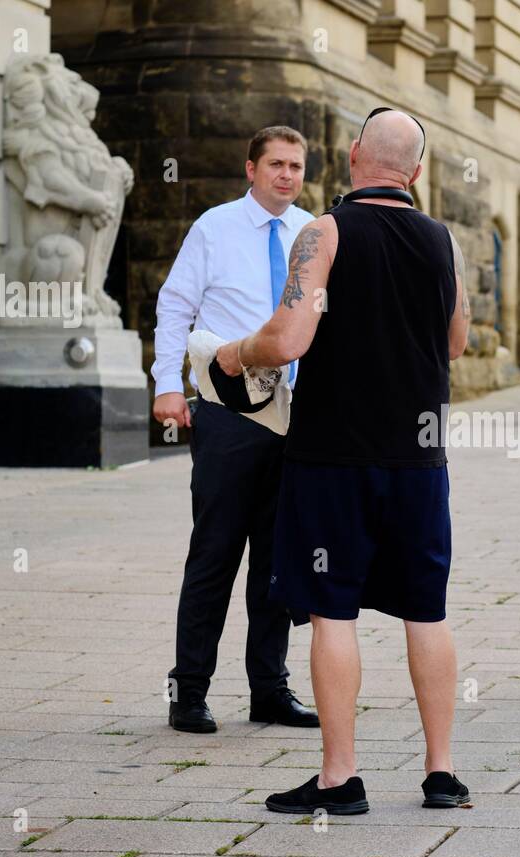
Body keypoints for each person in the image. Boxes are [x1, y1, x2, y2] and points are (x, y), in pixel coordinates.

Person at [215, 108, 472, 814]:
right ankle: (441, 773)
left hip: (334, 456)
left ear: (352, 155)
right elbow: (455, 343)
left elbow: (290, 339)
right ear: (416, 172)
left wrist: (235, 354)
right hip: (421, 460)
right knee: (427, 611)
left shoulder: (323, 231)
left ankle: (340, 778)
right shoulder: (441, 241)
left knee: (333, 612)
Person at [152, 126, 320, 734]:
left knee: (278, 562)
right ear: (250, 168)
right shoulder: (214, 228)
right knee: (215, 554)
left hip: (295, 418)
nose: (286, 175)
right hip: (228, 416)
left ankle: (269, 690)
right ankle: (189, 692)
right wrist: (166, 385)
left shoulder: (312, 233)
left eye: (296, 166)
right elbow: (174, 306)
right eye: (275, 164)